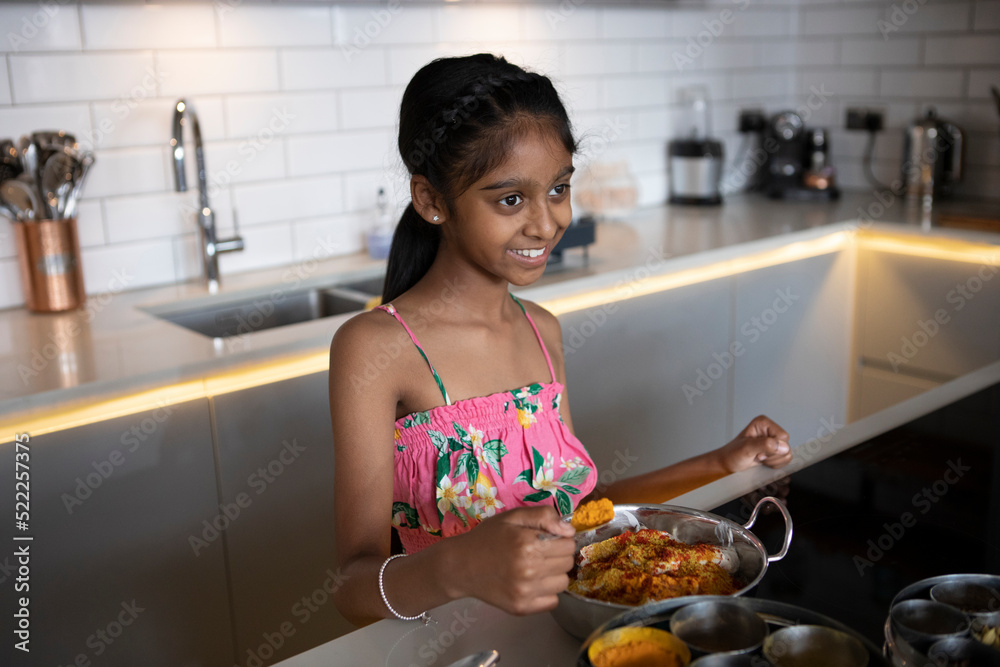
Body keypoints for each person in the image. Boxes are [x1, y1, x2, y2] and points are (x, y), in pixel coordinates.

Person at [328, 54, 793, 627]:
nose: (547, 224)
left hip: (566, 631)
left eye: (558, 188)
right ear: (431, 201)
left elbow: (580, 511)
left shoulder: (541, 329)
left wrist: (722, 461)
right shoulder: (376, 347)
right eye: (510, 199)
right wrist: (462, 565)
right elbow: (351, 587)